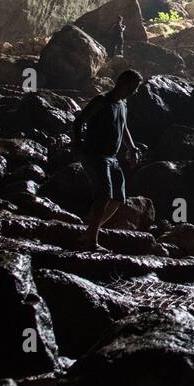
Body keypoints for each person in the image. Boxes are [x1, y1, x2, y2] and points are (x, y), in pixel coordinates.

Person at [72, 69, 143, 250]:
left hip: (112, 157)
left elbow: (123, 126)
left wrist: (132, 149)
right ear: (120, 82)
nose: (133, 92)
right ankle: (91, 241)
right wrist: (79, 145)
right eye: (131, 87)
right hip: (95, 155)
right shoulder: (101, 101)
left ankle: (89, 232)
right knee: (104, 196)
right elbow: (79, 121)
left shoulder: (122, 104)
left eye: (135, 89)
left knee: (118, 197)